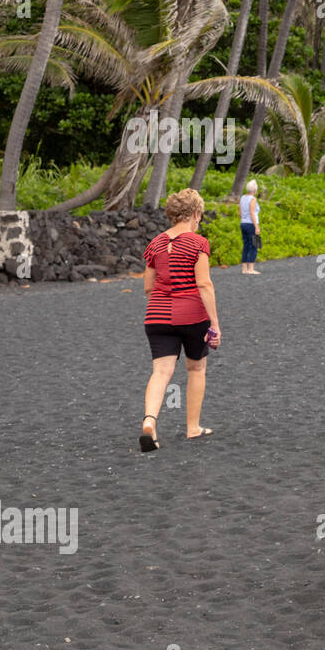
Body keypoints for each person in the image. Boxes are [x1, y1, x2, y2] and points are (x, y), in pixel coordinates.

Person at [139, 188, 221, 452]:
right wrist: (215, 324)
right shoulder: (198, 243)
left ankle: (149, 422)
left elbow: (148, 287)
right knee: (196, 369)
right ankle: (192, 428)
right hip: (191, 315)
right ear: (195, 214)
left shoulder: (155, 244)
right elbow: (205, 285)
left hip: (157, 314)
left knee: (160, 372)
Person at [239, 179, 261, 274]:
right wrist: (256, 226)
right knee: (254, 245)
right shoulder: (253, 199)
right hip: (251, 224)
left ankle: (244, 269)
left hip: (243, 223)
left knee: (246, 245)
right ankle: (251, 268)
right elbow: (252, 212)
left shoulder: (242, 198)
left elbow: (240, 212)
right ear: (255, 190)